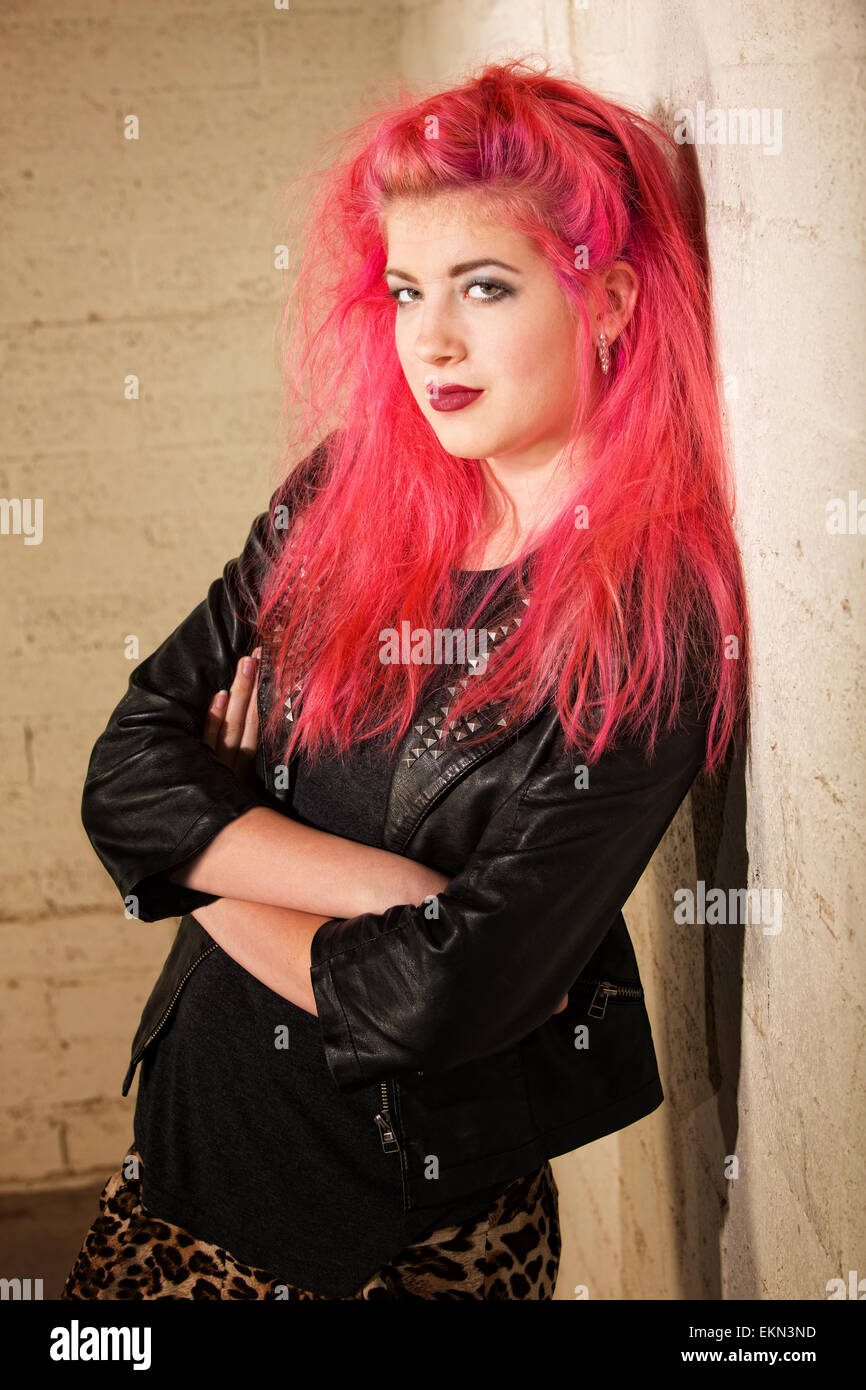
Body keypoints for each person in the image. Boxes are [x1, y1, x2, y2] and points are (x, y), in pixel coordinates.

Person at [61, 56, 749, 1301]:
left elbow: (443, 995)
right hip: (177, 1155)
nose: (429, 340)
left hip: (391, 1246)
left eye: (485, 287)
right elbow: (121, 770)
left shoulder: (644, 629)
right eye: (405, 289)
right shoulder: (347, 497)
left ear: (607, 302)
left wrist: (201, 846)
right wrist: (381, 886)